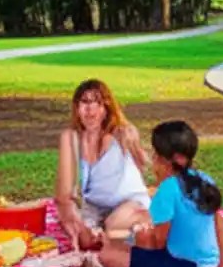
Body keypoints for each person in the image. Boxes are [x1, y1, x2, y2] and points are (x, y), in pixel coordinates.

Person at [93, 120, 223, 267]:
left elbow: (158, 243)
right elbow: (219, 223)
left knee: (108, 256)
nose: (153, 160)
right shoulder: (204, 179)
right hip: (209, 263)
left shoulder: (167, 189)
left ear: (165, 162)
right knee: (121, 244)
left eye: (155, 155)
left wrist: (139, 238)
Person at [55, 79, 151, 251]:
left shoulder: (121, 133)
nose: (90, 109)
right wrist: (72, 218)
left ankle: (139, 229)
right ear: (76, 108)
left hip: (129, 202)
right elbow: (64, 194)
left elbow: (142, 163)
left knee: (113, 225)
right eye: (84, 102)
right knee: (85, 240)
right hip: (94, 206)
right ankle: (115, 238)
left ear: (106, 108)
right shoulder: (70, 137)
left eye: (97, 103)